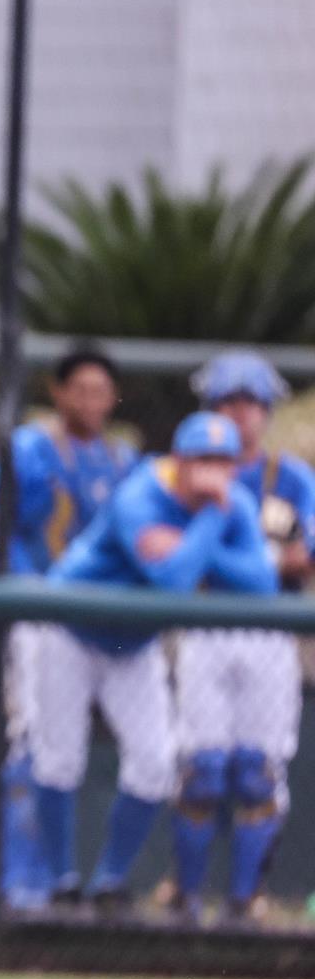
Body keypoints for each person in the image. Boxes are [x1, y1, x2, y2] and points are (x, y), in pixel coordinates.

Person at [37, 412, 276, 911]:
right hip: (69, 629)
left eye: (223, 461)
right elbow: (172, 582)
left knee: (156, 763)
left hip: (134, 644)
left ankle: (109, 883)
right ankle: (59, 884)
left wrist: (200, 539)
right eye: (202, 460)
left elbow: (261, 584)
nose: (213, 472)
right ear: (179, 460)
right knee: (59, 760)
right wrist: (210, 534)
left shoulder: (233, 503)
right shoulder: (140, 495)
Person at [0, 347, 135, 908]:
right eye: (79, 389)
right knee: (33, 737)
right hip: (34, 609)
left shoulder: (121, 459)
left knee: (107, 750)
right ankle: (23, 880)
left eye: (100, 390)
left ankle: (85, 880)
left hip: (99, 623)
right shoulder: (30, 449)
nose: (91, 400)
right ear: (58, 392)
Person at [169, 352, 314, 923]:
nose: (241, 414)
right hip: (206, 628)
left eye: (252, 403)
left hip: (270, 632)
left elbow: (307, 557)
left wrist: (255, 559)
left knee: (257, 771)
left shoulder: (291, 476)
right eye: (229, 403)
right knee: (202, 770)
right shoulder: (182, 472)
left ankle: (244, 900)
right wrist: (267, 559)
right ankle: (185, 897)